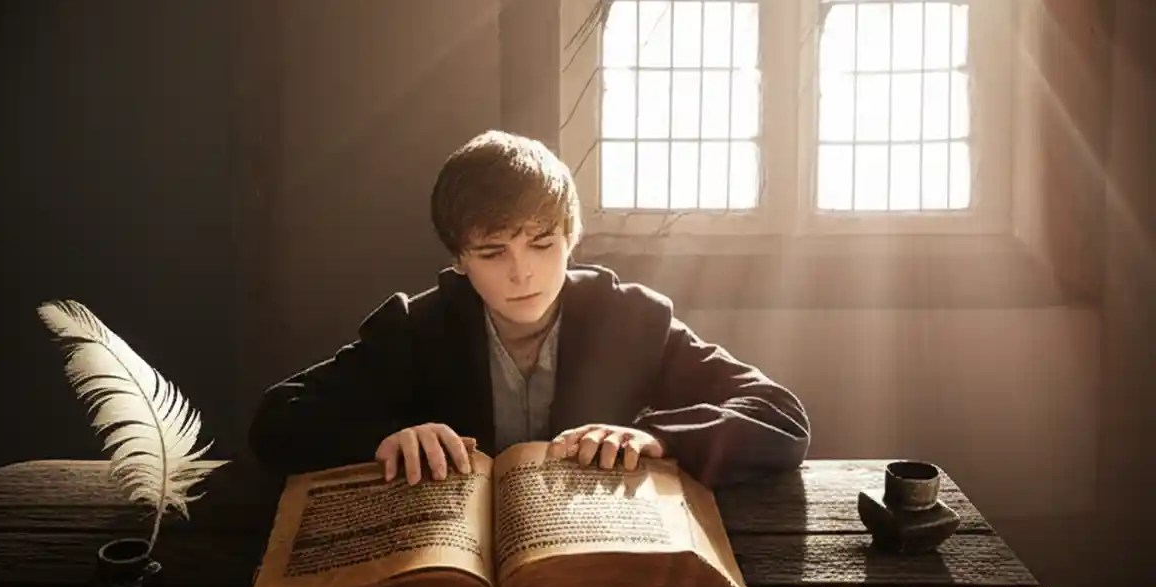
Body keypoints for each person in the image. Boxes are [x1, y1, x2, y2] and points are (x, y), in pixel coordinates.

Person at [247, 130, 810, 488]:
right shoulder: (415, 328)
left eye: (541, 244)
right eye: (493, 252)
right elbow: (277, 418)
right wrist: (383, 438)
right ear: (461, 258)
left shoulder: (632, 318)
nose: (522, 272)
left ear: (572, 237)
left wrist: (658, 438)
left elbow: (779, 415)